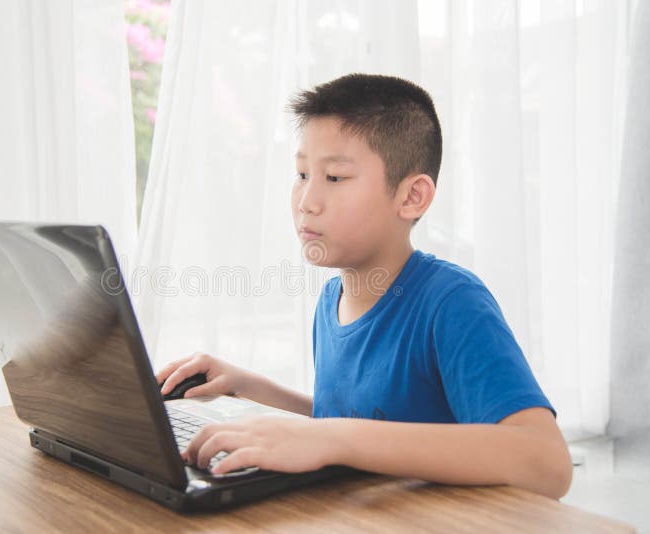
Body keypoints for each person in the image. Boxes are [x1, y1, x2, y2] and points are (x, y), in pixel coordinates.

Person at [156, 73, 572, 499]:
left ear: (411, 197)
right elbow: (350, 424)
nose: (306, 201)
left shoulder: (451, 302)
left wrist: (332, 438)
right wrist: (247, 386)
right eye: (302, 174)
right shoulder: (331, 301)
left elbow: (546, 462)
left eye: (335, 177)